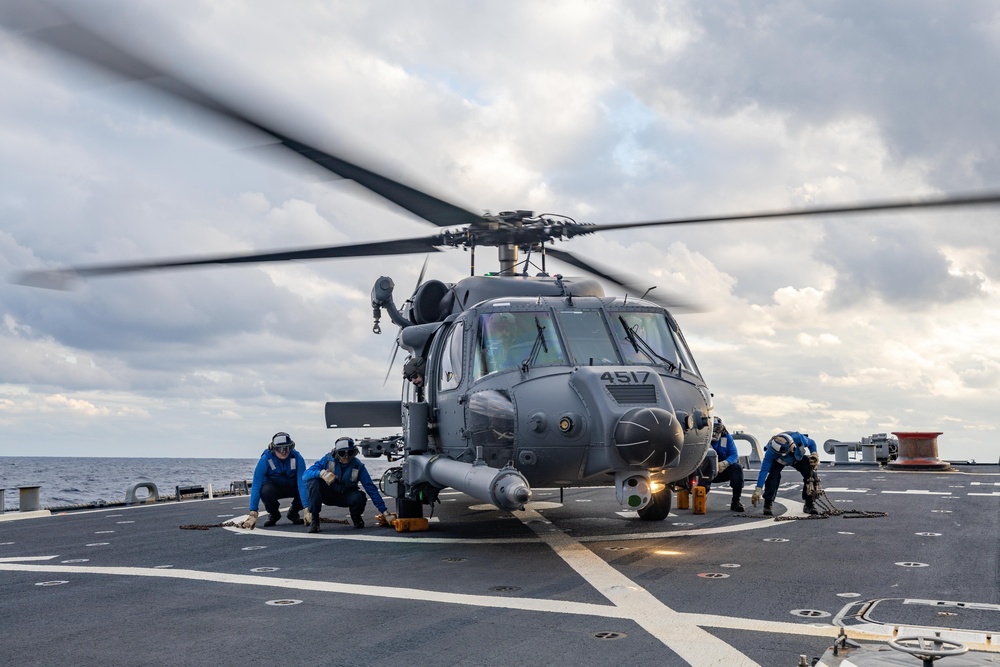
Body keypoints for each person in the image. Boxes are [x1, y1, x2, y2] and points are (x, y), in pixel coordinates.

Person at [303, 436, 391, 532]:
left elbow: (370, 488)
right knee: (313, 482)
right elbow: (305, 475)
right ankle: (315, 520)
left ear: (354, 452)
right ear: (335, 453)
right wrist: (321, 473)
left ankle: (356, 516)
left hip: (346, 496)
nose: (346, 456)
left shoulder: (358, 466)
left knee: (360, 497)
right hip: (327, 494)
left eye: (349, 452)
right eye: (342, 453)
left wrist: (385, 512)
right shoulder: (327, 460)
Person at [244, 432, 308, 529]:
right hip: (273, 488)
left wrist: (307, 509)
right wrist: (253, 512)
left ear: (291, 447)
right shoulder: (265, 459)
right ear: (273, 448)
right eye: (279, 449)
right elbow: (256, 485)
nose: (283, 452)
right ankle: (274, 514)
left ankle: (293, 512)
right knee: (265, 491)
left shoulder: (297, 458)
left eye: (286, 448)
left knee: (308, 486)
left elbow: (302, 483)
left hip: (292, 486)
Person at [750, 431, 821, 516]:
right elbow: (764, 471)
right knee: (773, 477)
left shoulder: (799, 438)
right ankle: (768, 504)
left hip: (797, 457)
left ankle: (809, 504)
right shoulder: (770, 452)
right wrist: (758, 490)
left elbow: (812, 443)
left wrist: (814, 453)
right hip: (778, 461)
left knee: (811, 474)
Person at [700, 417, 745, 512]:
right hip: (705, 470)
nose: (715, 432)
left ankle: (736, 501)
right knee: (701, 480)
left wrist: (725, 463)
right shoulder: (703, 438)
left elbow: (734, 455)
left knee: (737, 468)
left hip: (722, 469)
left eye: (717, 429)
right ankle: (700, 500)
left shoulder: (727, 437)